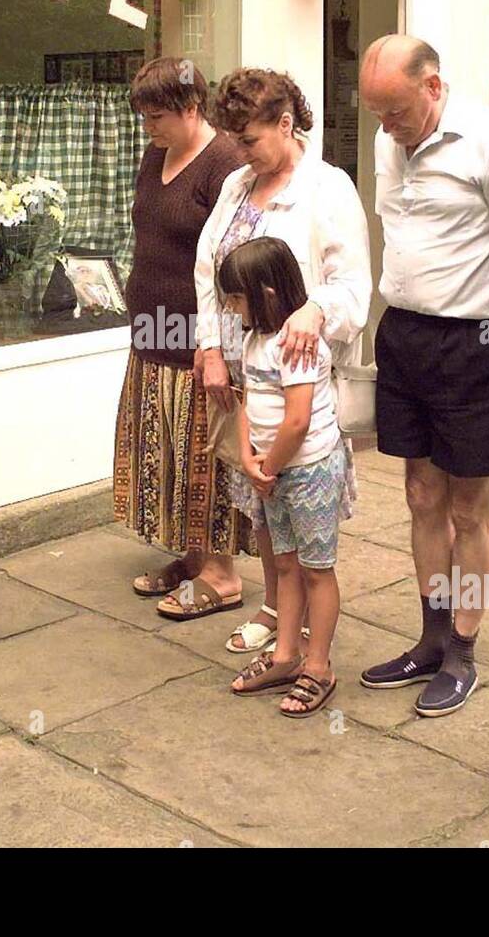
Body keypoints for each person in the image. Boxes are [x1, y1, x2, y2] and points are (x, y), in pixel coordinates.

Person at [357, 35, 489, 717]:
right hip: (407, 334)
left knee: (470, 508)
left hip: (476, 340)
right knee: (420, 495)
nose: (387, 127)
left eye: (396, 111)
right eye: (377, 114)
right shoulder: (393, 143)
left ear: (434, 86)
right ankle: (430, 638)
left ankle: (464, 651)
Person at [160, 68, 370, 654]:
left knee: (296, 498)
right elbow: (208, 272)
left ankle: (303, 622)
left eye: (250, 140)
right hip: (239, 369)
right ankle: (276, 608)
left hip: (295, 374)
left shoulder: (329, 189)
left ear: (286, 123)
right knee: (260, 501)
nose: (242, 153)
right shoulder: (236, 186)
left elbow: (353, 287)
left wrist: (316, 310)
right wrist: (209, 348)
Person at [115, 58, 252, 602]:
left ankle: (223, 574)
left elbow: (229, 257)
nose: (148, 128)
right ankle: (194, 556)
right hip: (152, 330)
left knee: (205, 451)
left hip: (198, 337)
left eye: (157, 116)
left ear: (192, 108)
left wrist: (213, 342)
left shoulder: (223, 164)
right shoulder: (155, 155)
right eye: (144, 117)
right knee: (170, 448)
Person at [221, 238, 348, 717]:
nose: (232, 310)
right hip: (272, 472)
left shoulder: (298, 346)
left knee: (317, 569)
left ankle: (318, 666)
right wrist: (251, 460)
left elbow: (297, 421)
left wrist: (267, 468)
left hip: (308, 471)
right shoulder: (256, 340)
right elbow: (247, 400)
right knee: (286, 564)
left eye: (236, 299)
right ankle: (285, 655)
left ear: (267, 292)